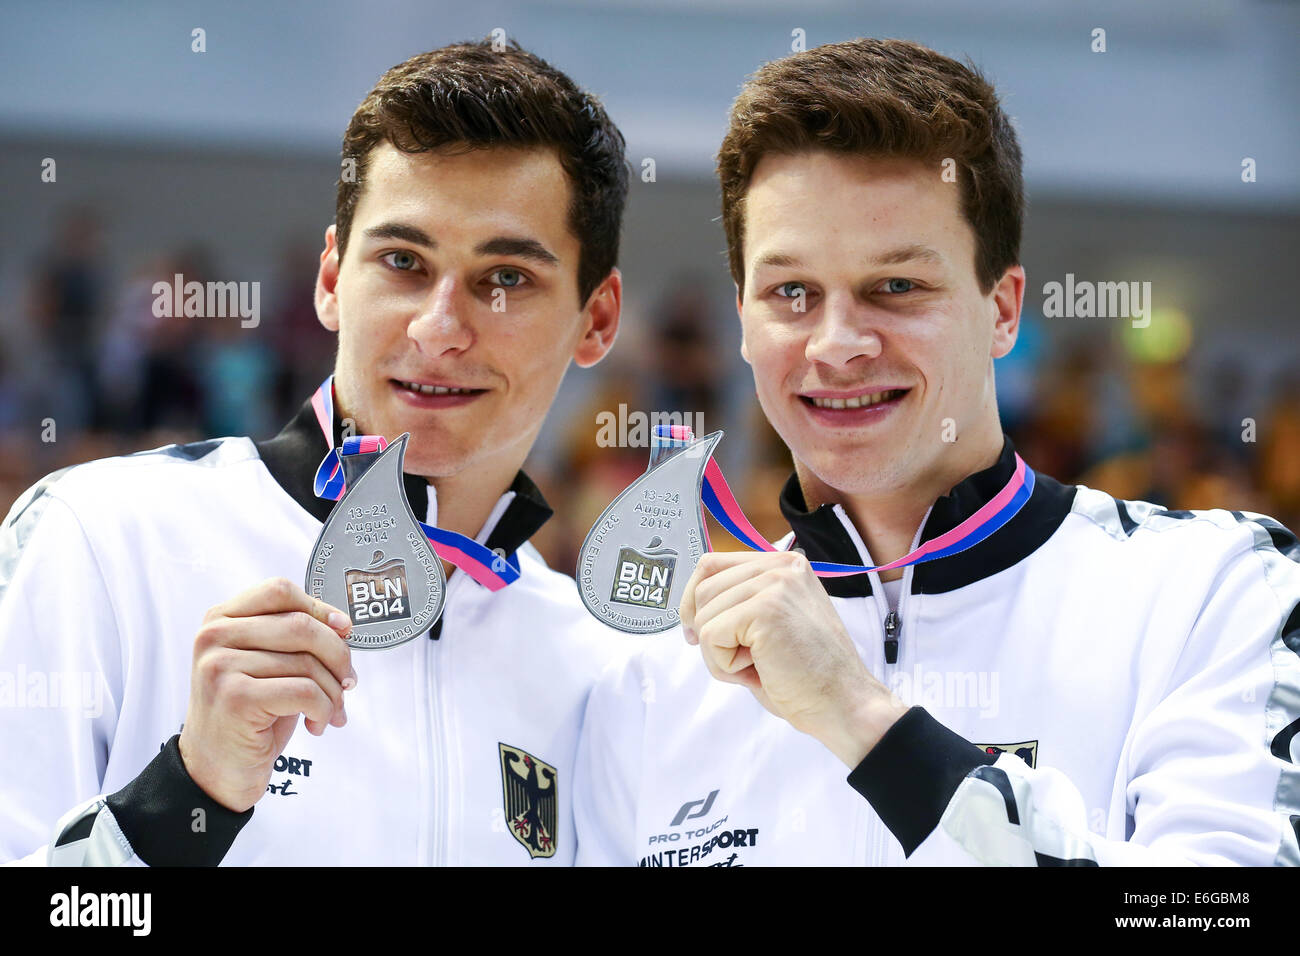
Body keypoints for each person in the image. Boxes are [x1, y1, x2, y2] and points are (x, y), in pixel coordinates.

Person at [573, 37, 1300, 866]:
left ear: (1002, 310)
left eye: (897, 287)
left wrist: (864, 721)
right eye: (792, 293)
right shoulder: (654, 686)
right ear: (743, 317)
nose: (838, 344)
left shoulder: (1213, 592)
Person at [0, 38, 629, 866]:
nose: (439, 329)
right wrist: (188, 792)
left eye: (505, 277)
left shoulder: (605, 664)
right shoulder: (104, 539)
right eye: (403, 262)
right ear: (332, 279)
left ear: (597, 320)